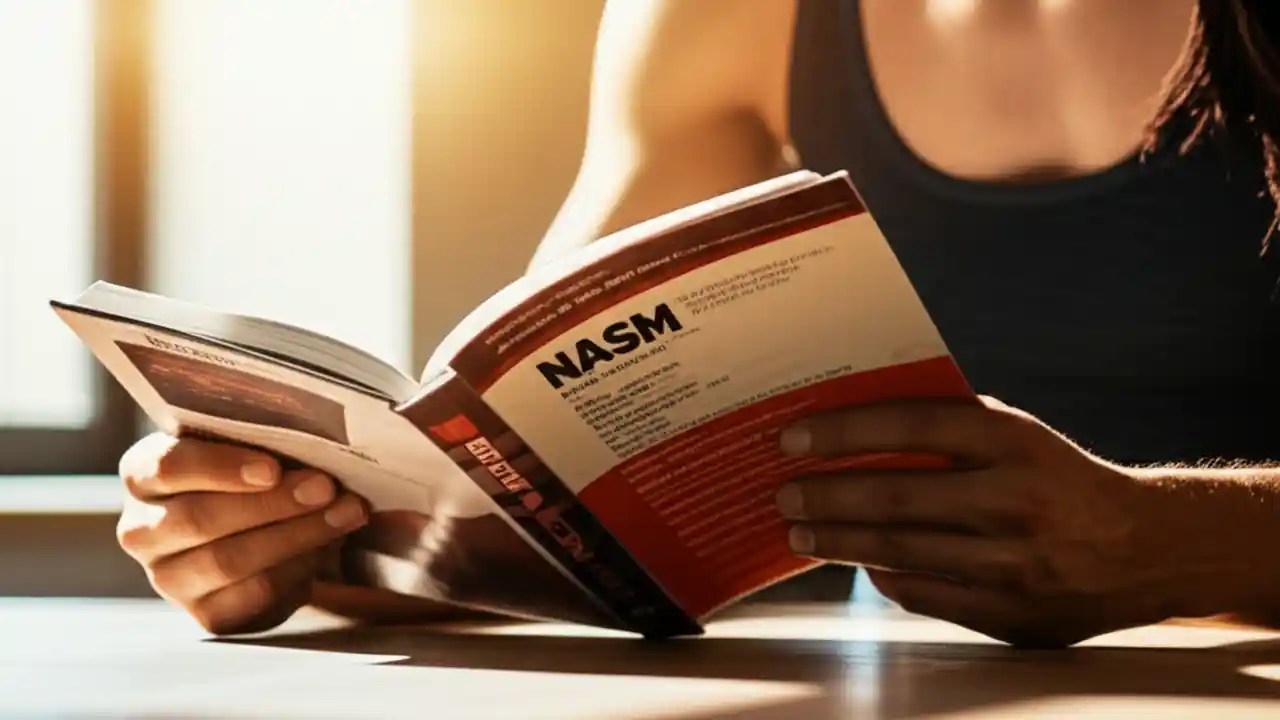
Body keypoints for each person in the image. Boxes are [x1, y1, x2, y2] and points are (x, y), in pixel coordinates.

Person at [115, 0, 1280, 647]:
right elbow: (532, 472)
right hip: (924, 688)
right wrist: (320, 535)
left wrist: (1170, 536)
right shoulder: (727, 13)